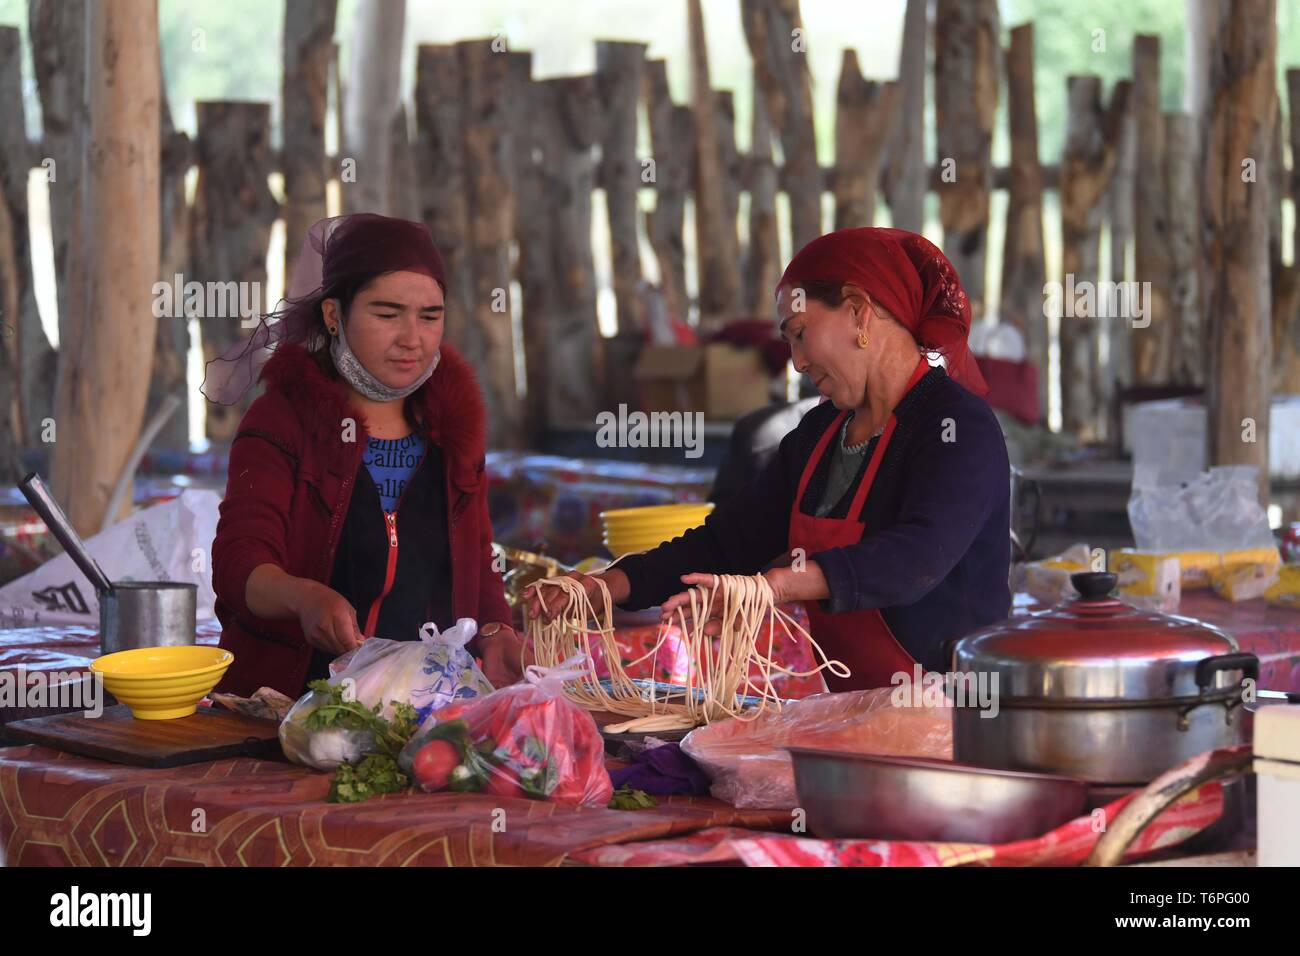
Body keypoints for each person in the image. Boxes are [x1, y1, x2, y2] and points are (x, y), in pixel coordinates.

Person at [529, 227, 1011, 690]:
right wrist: (609, 585)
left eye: (800, 333)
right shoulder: (821, 434)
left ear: (859, 312)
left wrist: (773, 587)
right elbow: (728, 542)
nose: (798, 362)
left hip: (954, 713)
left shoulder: (956, 425)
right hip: (861, 709)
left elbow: (917, 557)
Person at [206, 213, 524, 698]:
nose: (412, 338)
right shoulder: (283, 421)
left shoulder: (452, 429)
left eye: (430, 316)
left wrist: (497, 630)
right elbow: (239, 566)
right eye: (386, 313)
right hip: (289, 705)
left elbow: (477, 557)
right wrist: (303, 597)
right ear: (334, 315)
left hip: (420, 706)